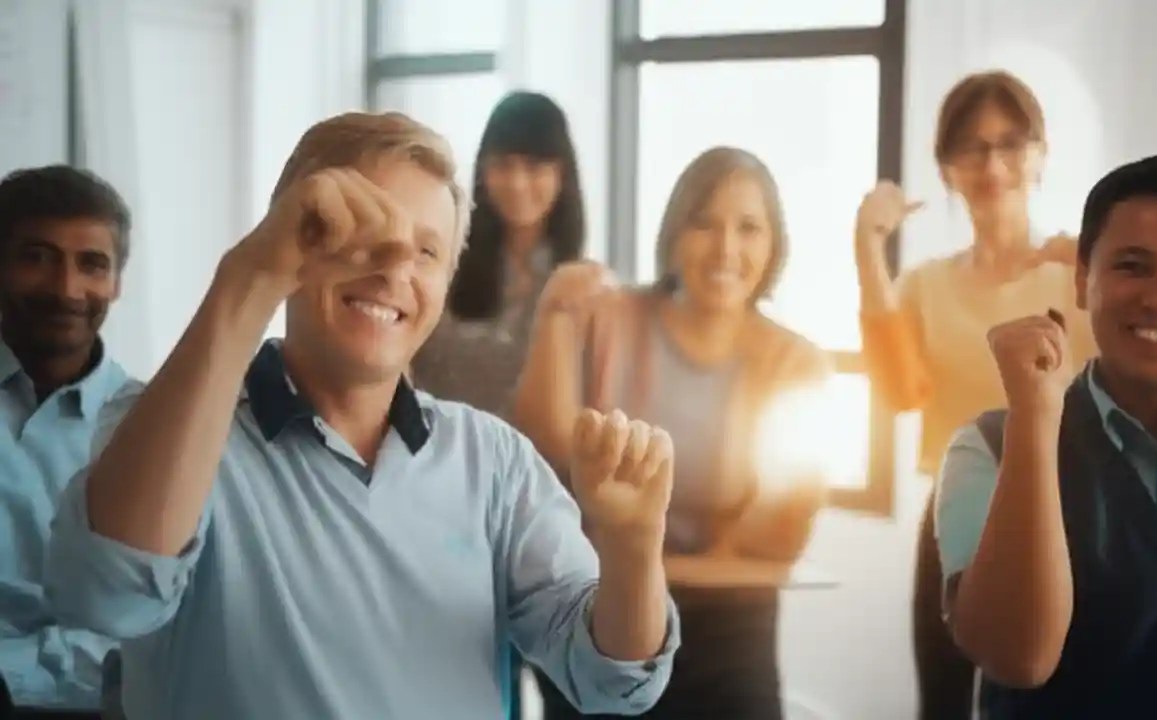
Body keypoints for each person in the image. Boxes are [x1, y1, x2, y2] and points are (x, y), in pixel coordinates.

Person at [42, 112, 680, 719]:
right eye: (362, 236)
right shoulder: (169, 427)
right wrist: (247, 278)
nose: (394, 269)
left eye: (427, 252)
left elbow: (612, 682)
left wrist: (631, 549)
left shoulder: (492, 461)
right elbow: (107, 594)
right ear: (287, 241)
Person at [937, 155, 1157, 717]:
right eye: (1133, 266)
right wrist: (1036, 418)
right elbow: (1017, 657)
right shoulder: (988, 447)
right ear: (1081, 279)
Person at [514, 146, 831, 719]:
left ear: (774, 243)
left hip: (730, 625)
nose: (726, 249)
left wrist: (634, 548)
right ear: (674, 230)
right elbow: (548, 450)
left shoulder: (797, 365)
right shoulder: (610, 319)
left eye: (749, 228)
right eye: (704, 222)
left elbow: (774, 542)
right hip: (601, 613)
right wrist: (555, 317)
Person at [853, 70, 1096, 718]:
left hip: (1064, 510)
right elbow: (901, 393)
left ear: (1040, 153)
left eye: (1010, 143)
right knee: (944, 704)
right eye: (972, 147)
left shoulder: (1082, 271)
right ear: (947, 168)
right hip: (955, 515)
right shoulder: (927, 284)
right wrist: (867, 250)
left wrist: (1100, 266)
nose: (993, 164)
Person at [410, 88, 587, 720]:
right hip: (444, 503)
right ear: (482, 170)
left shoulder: (581, 281)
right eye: (504, 164)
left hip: (547, 511)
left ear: (562, 175)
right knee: (472, 686)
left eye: (537, 166)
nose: (519, 182)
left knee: (573, 687)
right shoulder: (446, 259)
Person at [0, 165, 138, 719]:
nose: (66, 290)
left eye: (92, 264)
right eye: (37, 257)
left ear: (117, 282)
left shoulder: (153, 428)